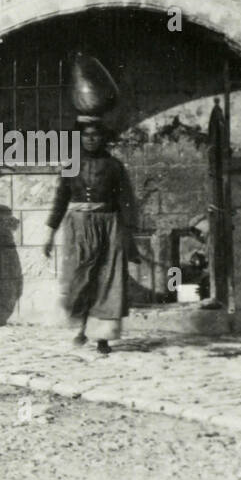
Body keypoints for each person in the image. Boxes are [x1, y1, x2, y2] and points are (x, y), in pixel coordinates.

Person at [42, 119, 139, 354]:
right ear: (80, 137)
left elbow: (126, 201)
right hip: (78, 227)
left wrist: (127, 232)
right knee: (80, 278)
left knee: (106, 279)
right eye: (86, 135)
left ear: (103, 138)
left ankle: (102, 337)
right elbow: (60, 200)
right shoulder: (71, 164)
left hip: (108, 225)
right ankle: (82, 327)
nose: (91, 139)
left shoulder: (114, 166)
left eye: (96, 135)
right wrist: (49, 234)